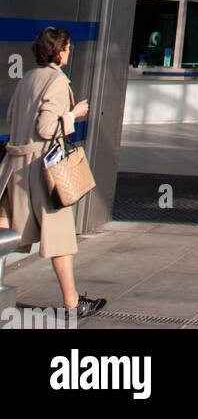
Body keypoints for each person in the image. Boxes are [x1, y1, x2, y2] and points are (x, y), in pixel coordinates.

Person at [0, 27, 105, 318]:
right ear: (60, 52)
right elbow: (46, 129)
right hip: (42, 173)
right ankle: (72, 305)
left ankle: (71, 301)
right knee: (60, 239)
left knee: (5, 234)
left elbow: (11, 118)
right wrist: (74, 114)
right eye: (68, 47)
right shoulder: (57, 82)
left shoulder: (28, 78)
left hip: (13, 168)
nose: (70, 51)